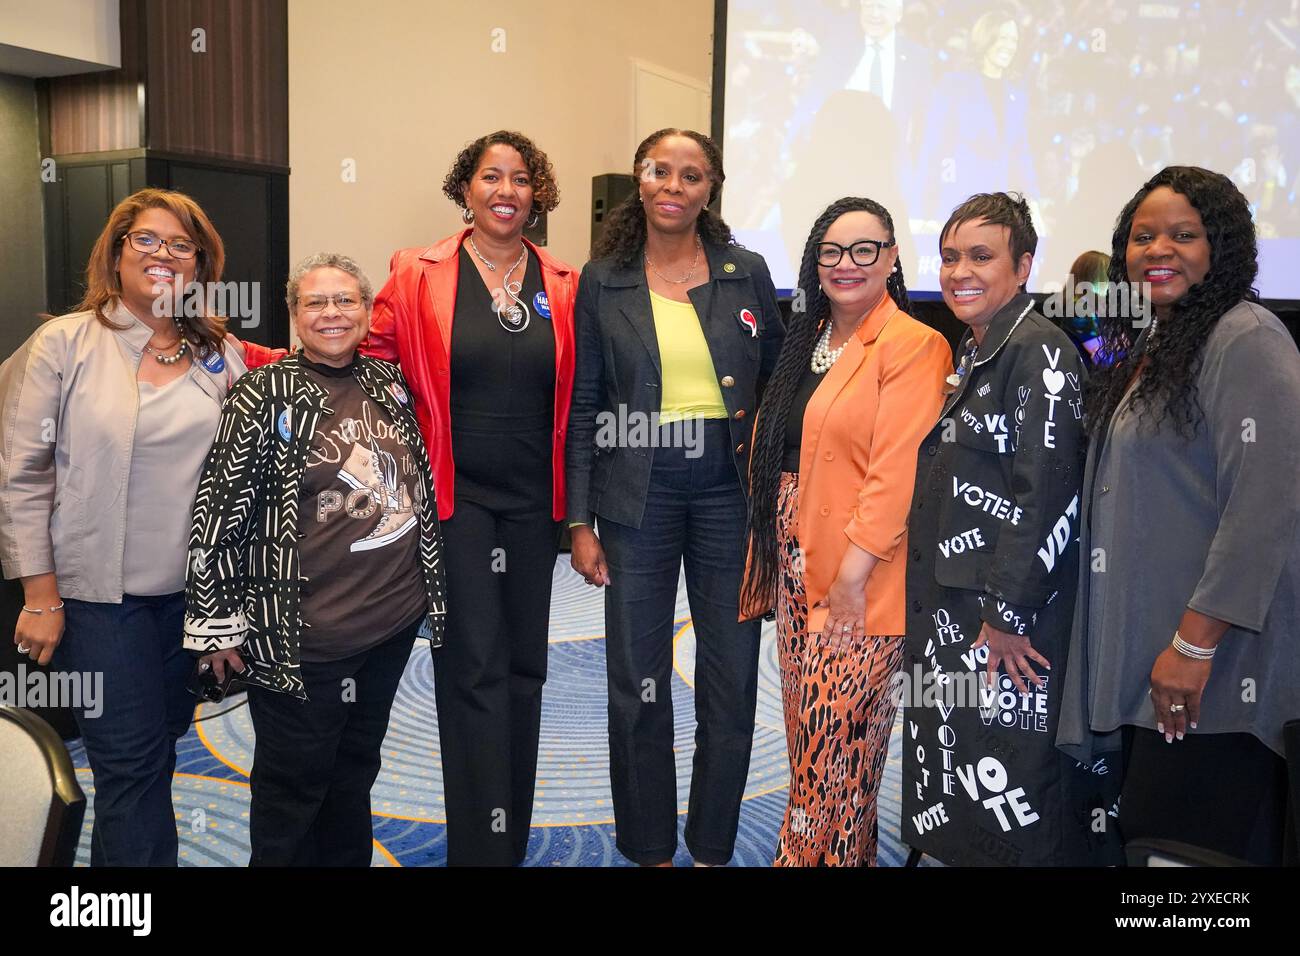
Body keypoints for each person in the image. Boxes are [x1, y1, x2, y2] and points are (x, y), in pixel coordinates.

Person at [1057, 167, 1300, 865]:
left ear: (1221, 247)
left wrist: (1194, 648)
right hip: (1152, 663)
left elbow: (1263, 510)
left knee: (1190, 863)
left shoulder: (1246, 337)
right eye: (1143, 236)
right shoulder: (1157, 344)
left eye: (1183, 235)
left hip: (1217, 680)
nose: (1158, 249)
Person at [0, 188, 247, 865]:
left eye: (181, 246)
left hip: (192, 606)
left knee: (149, 764)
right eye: (146, 240)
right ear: (116, 252)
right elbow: (22, 478)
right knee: (131, 772)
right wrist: (41, 596)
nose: (163, 256)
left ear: (199, 266)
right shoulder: (63, 345)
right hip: (99, 605)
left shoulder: (220, 354)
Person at [566, 127, 785, 866]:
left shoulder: (745, 270)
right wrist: (578, 518)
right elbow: (586, 400)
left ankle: (714, 845)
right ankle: (651, 846)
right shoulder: (603, 279)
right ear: (640, 177)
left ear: (709, 188)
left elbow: (780, 383)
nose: (674, 185)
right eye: (661, 170)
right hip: (639, 494)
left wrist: (779, 487)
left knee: (731, 676)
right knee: (639, 680)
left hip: (729, 492)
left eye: (692, 175)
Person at [184, 253, 446, 866]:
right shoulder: (263, 392)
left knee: (354, 772)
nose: (332, 314)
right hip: (302, 637)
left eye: (346, 301)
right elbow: (218, 511)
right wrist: (216, 624)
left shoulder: (388, 382)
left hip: (387, 625)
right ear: (295, 315)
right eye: (316, 303)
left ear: (366, 310)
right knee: (293, 788)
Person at [902, 192, 1120, 866]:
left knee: (1009, 775)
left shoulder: (1039, 353)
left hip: (1002, 620)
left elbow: (1047, 492)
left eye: (981, 256)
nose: (959, 271)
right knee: (955, 754)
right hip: (954, 607)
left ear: (1023, 266)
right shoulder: (981, 349)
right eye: (949, 257)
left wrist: (1006, 613)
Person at [740, 197, 950, 866]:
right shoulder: (809, 340)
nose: (846, 264)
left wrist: (852, 579)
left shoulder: (915, 345)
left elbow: (896, 476)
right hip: (798, 562)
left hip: (861, 572)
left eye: (865, 249)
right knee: (816, 733)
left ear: (891, 259)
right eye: (831, 251)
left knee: (840, 735)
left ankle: (802, 857)